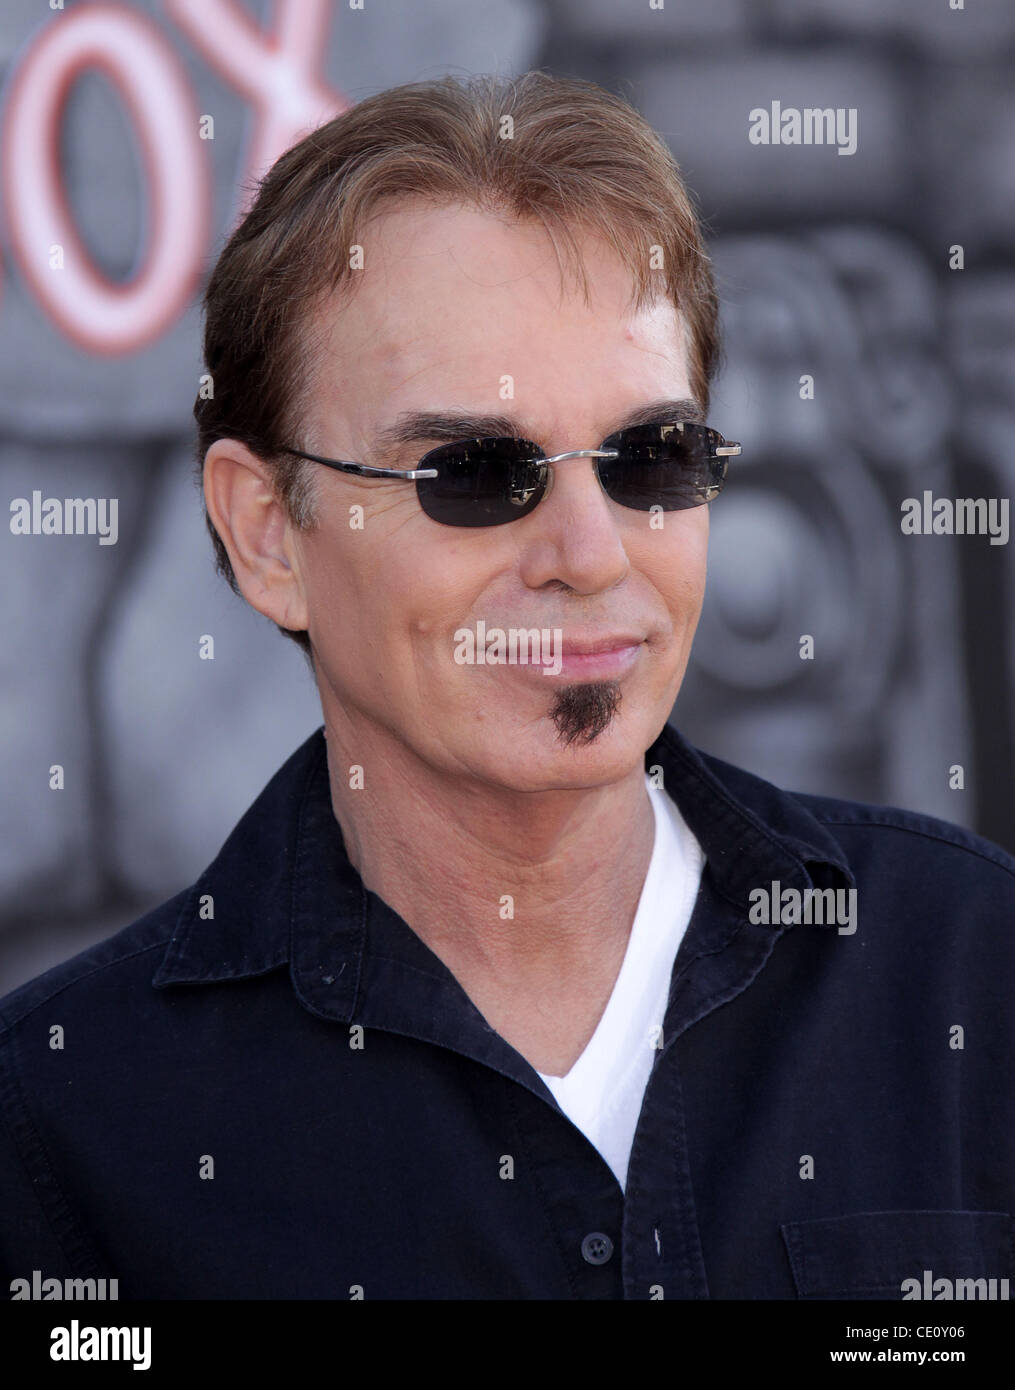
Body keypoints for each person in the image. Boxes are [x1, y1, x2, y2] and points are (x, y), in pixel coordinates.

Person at [2, 71, 1013, 1302]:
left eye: (654, 457)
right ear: (270, 533)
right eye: (474, 472)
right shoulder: (63, 1127)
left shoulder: (971, 967)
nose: (592, 555)